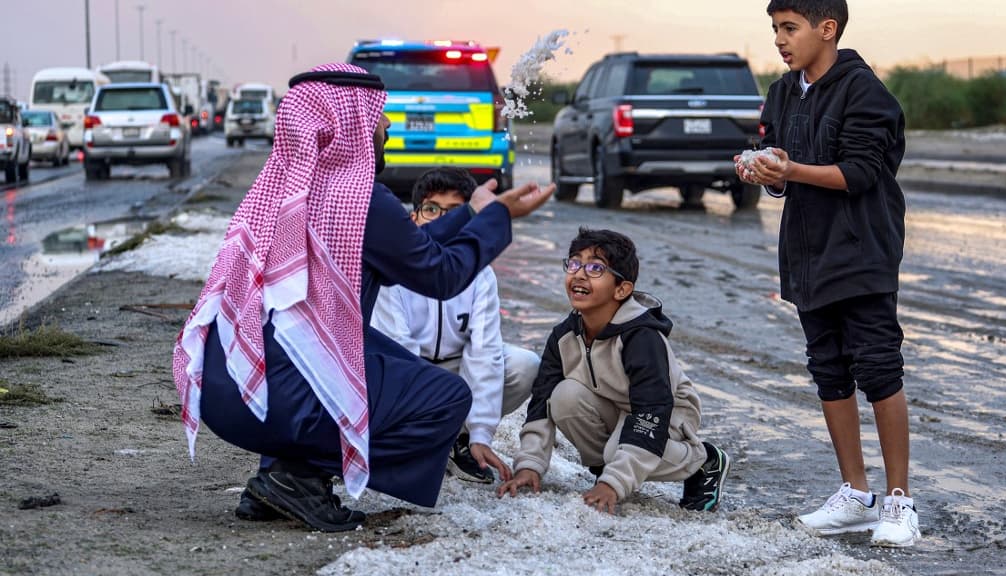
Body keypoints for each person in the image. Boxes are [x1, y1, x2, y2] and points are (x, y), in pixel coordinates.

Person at [171, 62, 554, 533]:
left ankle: (279, 474)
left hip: (227, 390)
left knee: (375, 359)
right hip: (280, 396)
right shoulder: (360, 201)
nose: (388, 125)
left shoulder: (281, 190)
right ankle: (300, 476)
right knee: (445, 397)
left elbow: (412, 246)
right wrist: (498, 219)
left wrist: (472, 214)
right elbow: (439, 274)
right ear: (347, 123)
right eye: (379, 116)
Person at [736, 0, 918, 548]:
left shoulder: (866, 91)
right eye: (774, 29)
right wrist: (763, 171)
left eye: (789, 28)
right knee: (828, 370)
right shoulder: (782, 92)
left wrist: (789, 168)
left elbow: (862, 173)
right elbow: (782, 177)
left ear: (827, 28)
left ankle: (900, 502)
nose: (779, 40)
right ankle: (855, 495)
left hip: (862, 252)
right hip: (807, 253)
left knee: (879, 370)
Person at [497, 228, 730, 514]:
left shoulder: (642, 338)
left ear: (622, 289)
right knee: (563, 396)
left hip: (667, 415)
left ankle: (703, 460)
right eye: (574, 263)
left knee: (617, 451)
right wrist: (529, 467)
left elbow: (651, 413)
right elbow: (540, 407)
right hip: (615, 408)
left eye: (596, 267)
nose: (580, 274)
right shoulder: (564, 336)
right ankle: (609, 466)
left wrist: (614, 483)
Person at [371, 167, 540, 484]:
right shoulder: (394, 272)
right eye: (431, 209)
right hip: (404, 372)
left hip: (453, 367)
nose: (440, 220)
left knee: (523, 364)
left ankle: (458, 442)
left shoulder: (480, 275)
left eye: (454, 212)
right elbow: (399, 354)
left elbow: (484, 351)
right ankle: (414, 444)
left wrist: (480, 432)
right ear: (414, 217)